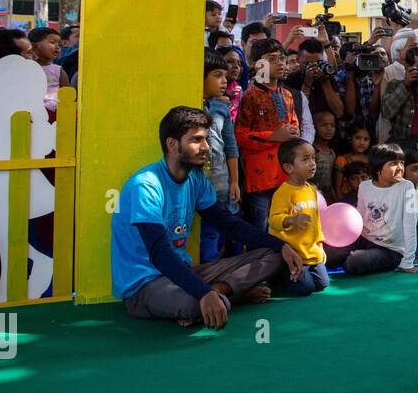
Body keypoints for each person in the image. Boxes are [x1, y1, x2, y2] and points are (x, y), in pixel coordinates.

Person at [111, 106, 303, 327]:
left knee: (273, 254)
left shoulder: (197, 180)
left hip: (184, 273)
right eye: (196, 140)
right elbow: (159, 253)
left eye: (206, 139)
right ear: (172, 144)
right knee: (195, 304)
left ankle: (219, 293)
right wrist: (201, 292)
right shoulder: (146, 185)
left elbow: (229, 225)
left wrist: (281, 245)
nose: (206, 147)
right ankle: (223, 296)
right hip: (145, 286)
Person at [235, 38, 299, 230]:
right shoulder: (250, 95)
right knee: (260, 229)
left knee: (283, 228)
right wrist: (273, 136)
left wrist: (293, 131)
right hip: (259, 178)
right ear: (256, 65)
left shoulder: (286, 94)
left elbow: (293, 123)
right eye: (272, 59)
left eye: (281, 58)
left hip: (285, 173)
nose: (280, 63)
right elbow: (240, 135)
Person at [267, 140, 331, 295]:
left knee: (323, 284)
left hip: (311, 252)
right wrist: (291, 220)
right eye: (305, 159)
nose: (312, 163)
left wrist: (320, 245)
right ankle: (275, 279)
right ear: (289, 168)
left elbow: (317, 222)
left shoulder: (312, 190)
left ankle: (298, 275)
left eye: (313, 158)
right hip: (293, 254)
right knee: (305, 288)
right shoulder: (283, 193)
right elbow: (273, 220)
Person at [343, 143, 418, 275]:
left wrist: (407, 262)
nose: (400, 167)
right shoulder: (364, 187)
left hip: (391, 250)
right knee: (330, 254)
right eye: (394, 163)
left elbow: (410, 225)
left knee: (354, 262)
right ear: (378, 168)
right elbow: (359, 219)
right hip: (364, 240)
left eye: (401, 162)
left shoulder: (407, 187)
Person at [200, 50, 241, 263]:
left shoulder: (221, 107)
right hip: (197, 182)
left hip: (220, 181)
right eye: (217, 75)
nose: (224, 81)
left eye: (225, 75)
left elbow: (230, 145)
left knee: (214, 231)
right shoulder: (190, 106)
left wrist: (234, 181)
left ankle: (214, 270)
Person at [381, 45, 418, 144]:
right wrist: (405, 84)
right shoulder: (395, 85)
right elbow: (386, 112)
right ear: (407, 68)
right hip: (401, 142)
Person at [28, 26, 70, 114]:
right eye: (52, 42)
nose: (57, 47)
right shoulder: (26, 69)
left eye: (59, 44)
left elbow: (67, 94)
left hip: (56, 112)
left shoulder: (58, 70)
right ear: (33, 46)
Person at [311, 110, 339, 198]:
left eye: (332, 125)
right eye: (324, 125)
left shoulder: (332, 153)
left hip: (328, 195)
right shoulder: (312, 151)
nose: (329, 128)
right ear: (314, 127)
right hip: (313, 193)